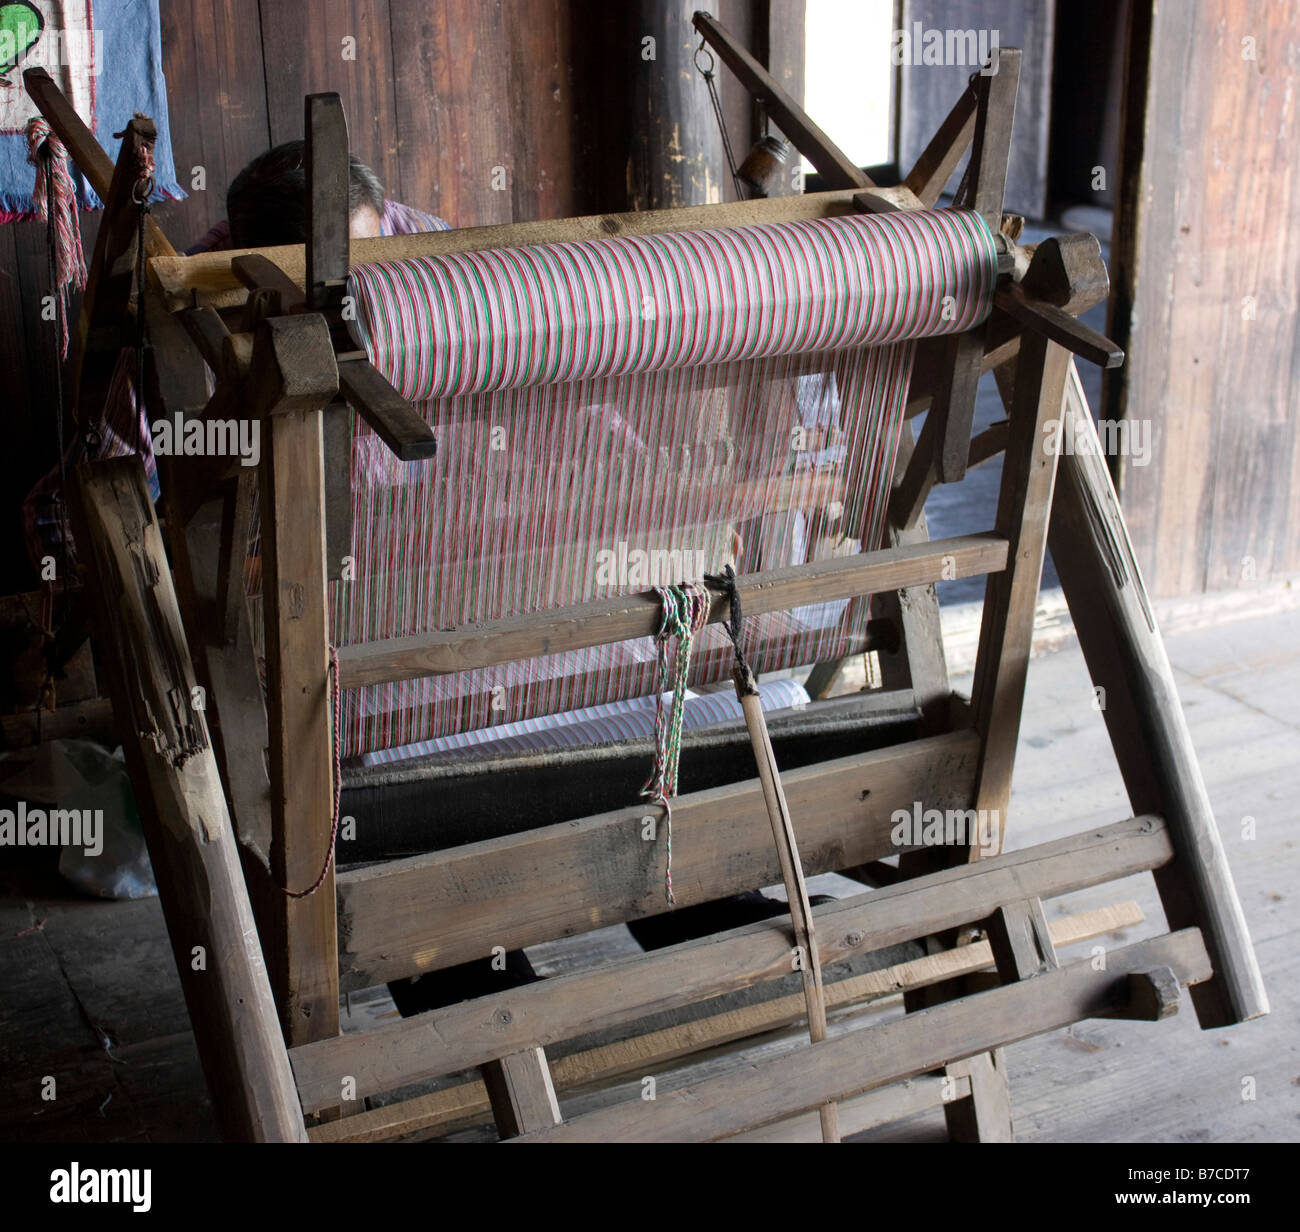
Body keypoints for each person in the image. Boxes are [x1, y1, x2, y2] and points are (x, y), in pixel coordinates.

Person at [186, 140, 449, 253]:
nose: (359, 276)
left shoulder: (428, 239)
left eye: (369, 248)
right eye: (343, 264)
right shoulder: (217, 259)